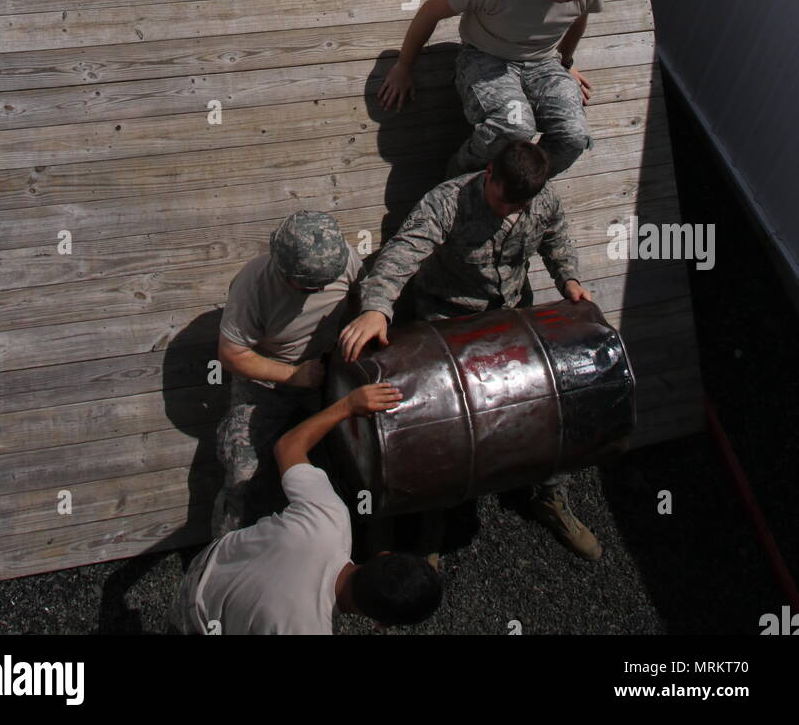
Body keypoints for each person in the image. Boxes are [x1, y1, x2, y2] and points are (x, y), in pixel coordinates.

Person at [338, 140, 602, 559]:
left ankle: (550, 495)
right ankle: (432, 525)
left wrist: (569, 279)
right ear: (488, 174)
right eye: (502, 200)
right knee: (443, 427)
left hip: (513, 316)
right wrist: (377, 308)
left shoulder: (540, 199)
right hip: (450, 321)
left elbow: (556, 238)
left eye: (519, 206)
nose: (508, 212)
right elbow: (404, 251)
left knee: (548, 407)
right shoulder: (448, 202)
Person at [169, 383, 443, 634]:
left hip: (208, 568)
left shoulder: (329, 517)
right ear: (380, 623)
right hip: (200, 623)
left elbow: (288, 446)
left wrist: (348, 405)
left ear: (382, 554)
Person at [378, 0, 603, 180]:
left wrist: (566, 61)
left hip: (543, 62)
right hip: (486, 56)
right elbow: (430, 12)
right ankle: (460, 182)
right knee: (514, 127)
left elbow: (577, 19)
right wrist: (404, 67)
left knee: (573, 137)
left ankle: (520, 186)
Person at [212, 210, 361, 537]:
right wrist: (294, 375)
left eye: (324, 284)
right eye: (308, 286)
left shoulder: (342, 260)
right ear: (281, 266)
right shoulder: (253, 286)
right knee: (243, 472)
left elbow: (357, 298)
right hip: (266, 383)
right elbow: (231, 355)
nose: (319, 290)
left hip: (326, 373)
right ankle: (225, 551)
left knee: (353, 457)